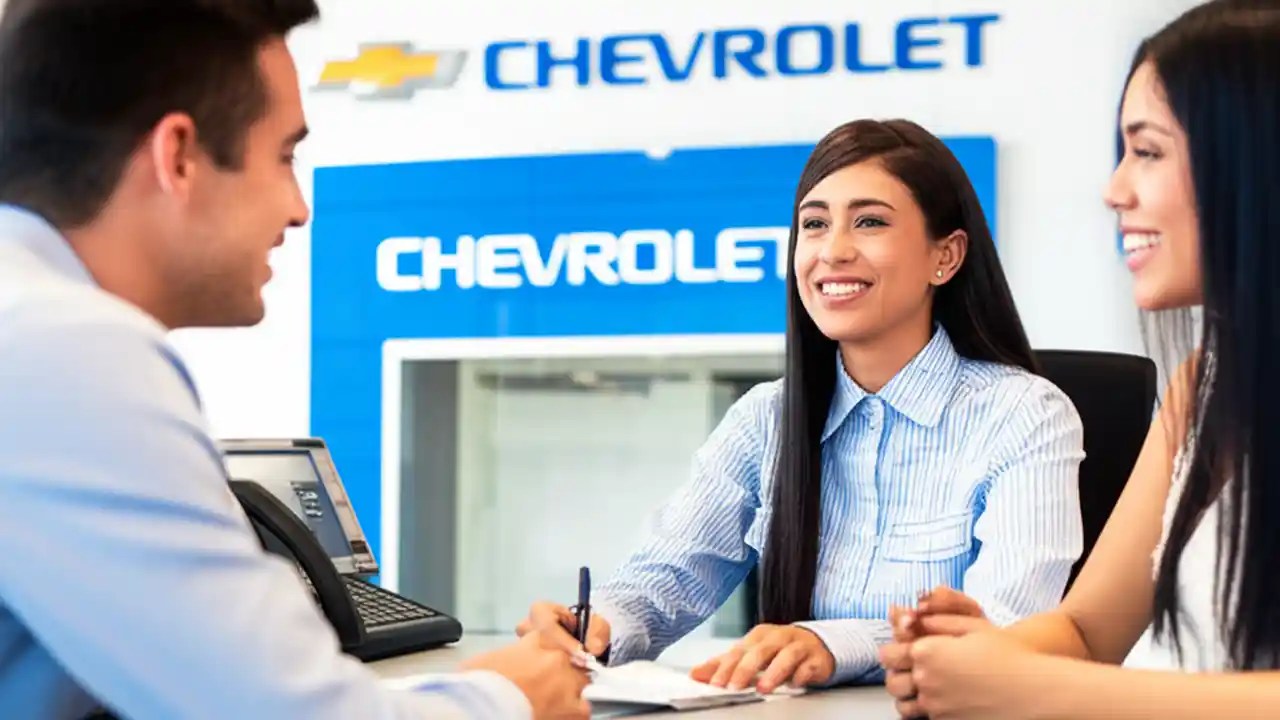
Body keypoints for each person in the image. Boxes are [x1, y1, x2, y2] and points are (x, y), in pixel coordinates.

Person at [0, 1, 590, 718]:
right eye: (285, 157)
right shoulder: (67, 349)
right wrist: (510, 698)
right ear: (179, 157)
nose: (300, 208)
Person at [518, 118, 1087, 694]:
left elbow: (1007, 627)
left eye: (869, 222)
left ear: (946, 255)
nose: (833, 251)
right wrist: (597, 627)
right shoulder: (764, 419)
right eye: (814, 224)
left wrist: (832, 644)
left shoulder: (1024, 414)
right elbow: (672, 574)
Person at [879, 1, 1280, 717]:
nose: (1114, 190)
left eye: (1147, 152)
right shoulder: (1201, 387)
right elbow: (1088, 631)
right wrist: (978, 656)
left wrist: (1028, 687)